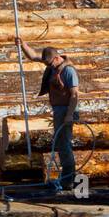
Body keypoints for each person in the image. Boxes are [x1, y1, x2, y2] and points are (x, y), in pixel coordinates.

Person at [19, 40, 79, 189]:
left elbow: (74, 95)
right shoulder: (51, 63)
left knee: (64, 144)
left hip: (67, 110)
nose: (48, 67)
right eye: (46, 64)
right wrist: (23, 44)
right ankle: (66, 178)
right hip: (58, 110)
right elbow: (33, 56)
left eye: (50, 64)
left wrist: (69, 115)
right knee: (59, 143)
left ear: (57, 58)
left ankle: (68, 180)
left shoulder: (69, 71)